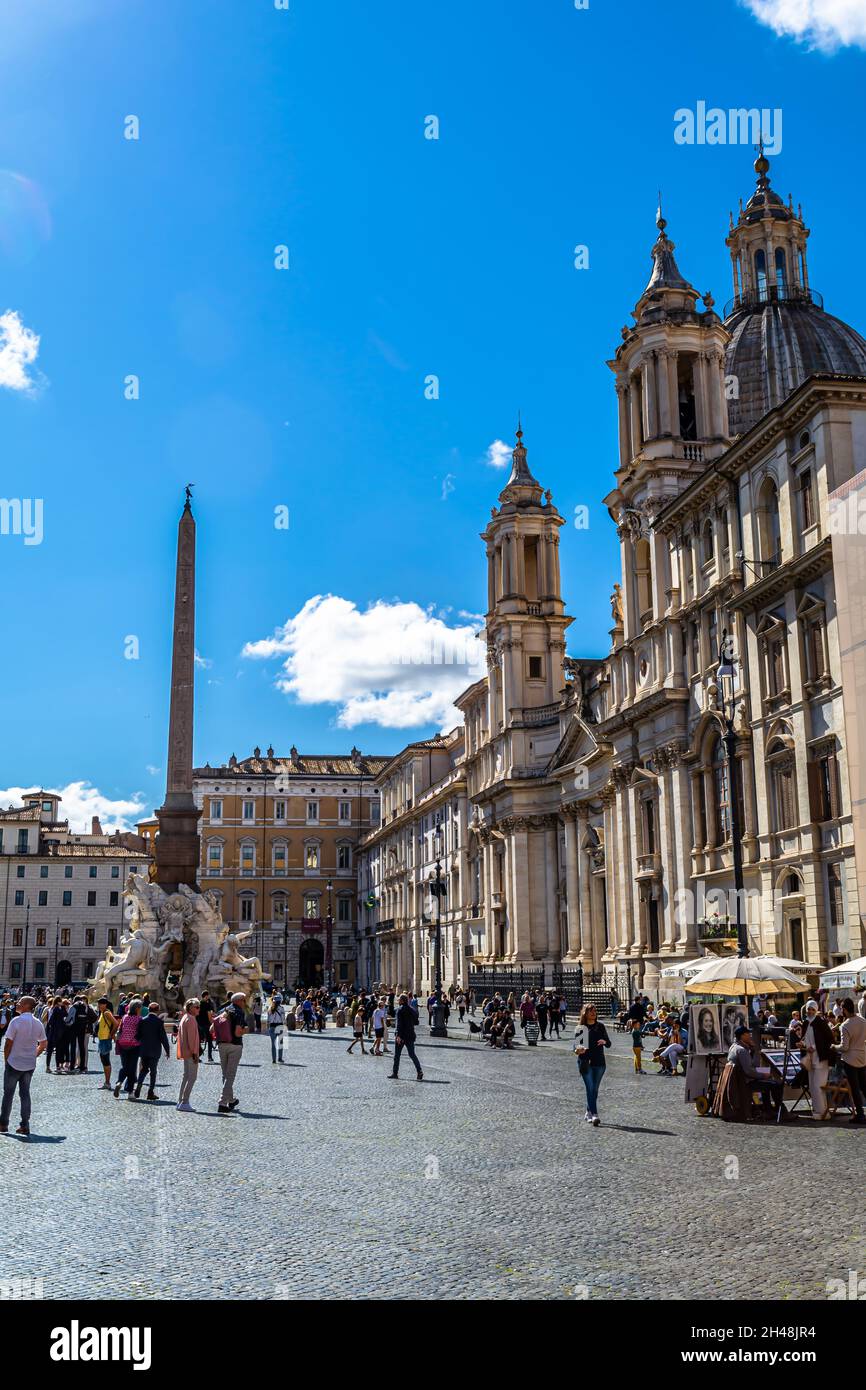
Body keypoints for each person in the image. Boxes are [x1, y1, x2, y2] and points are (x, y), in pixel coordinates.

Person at [0, 996, 47, 1137]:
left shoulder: (16, 1021)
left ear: (26, 1005)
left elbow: (8, 1043)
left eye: (20, 1002)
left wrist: (6, 1060)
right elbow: (43, 1043)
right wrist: (35, 1055)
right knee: (25, 1094)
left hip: (14, 1063)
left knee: (8, 1094)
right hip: (29, 1064)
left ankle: (3, 1124)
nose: (17, 1004)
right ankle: (25, 1125)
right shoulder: (38, 1023)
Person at [726, 1024, 784, 1117]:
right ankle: (780, 1111)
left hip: (741, 1079)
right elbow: (749, 1071)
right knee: (776, 1084)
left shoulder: (733, 1047)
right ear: (742, 1036)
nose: (750, 1035)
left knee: (769, 1080)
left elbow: (749, 1066)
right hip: (746, 1082)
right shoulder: (742, 1050)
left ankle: (768, 1109)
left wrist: (751, 1049)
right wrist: (763, 1075)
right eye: (748, 1034)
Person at [574, 1004, 610, 1125]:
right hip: (585, 1061)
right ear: (585, 1013)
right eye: (591, 1011)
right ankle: (595, 1115)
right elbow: (576, 1047)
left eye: (595, 1011)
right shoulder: (581, 1028)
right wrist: (578, 1050)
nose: (594, 1013)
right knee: (590, 1088)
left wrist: (604, 1041)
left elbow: (609, 1043)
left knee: (594, 1089)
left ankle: (588, 1111)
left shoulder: (600, 1026)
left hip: (599, 1062)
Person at [833, 997, 866, 1124]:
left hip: (850, 1060)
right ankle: (861, 1114)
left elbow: (844, 1047)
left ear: (845, 1010)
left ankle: (860, 1115)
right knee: (864, 1087)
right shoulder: (863, 1021)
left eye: (841, 1009)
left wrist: (833, 1047)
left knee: (855, 1088)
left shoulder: (845, 1025)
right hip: (862, 1057)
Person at [802, 1000, 834, 1121]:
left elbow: (828, 1039)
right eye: (808, 1009)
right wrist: (802, 1043)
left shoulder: (821, 1023)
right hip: (810, 1059)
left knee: (818, 1086)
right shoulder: (805, 1022)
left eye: (812, 1009)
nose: (810, 1011)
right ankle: (817, 1111)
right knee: (812, 1086)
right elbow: (805, 1038)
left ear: (815, 1011)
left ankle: (822, 1112)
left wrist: (814, 1047)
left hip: (821, 1059)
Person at [217, 992, 247, 1114]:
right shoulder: (239, 1012)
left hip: (221, 1045)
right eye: (244, 1000)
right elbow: (237, 1033)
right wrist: (247, 1029)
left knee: (225, 1075)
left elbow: (212, 1028)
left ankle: (231, 1100)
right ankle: (222, 1103)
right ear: (239, 1001)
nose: (245, 1003)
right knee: (230, 1076)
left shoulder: (223, 1010)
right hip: (234, 1046)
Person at [135, 1006, 170, 1100]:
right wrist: (167, 1050)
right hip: (155, 1050)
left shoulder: (142, 1020)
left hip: (144, 1049)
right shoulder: (159, 1022)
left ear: (149, 1010)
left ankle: (139, 1086)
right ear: (158, 1010)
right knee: (153, 1071)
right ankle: (150, 1092)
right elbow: (163, 1038)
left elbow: (137, 1036)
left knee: (144, 1069)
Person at [388, 993, 423, 1080]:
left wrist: (398, 1035)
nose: (398, 1001)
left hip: (402, 1036)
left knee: (397, 1055)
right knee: (412, 1054)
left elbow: (399, 1024)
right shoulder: (412, 1010)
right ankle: (419, 1071)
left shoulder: (400, 1010)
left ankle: (395, 1073)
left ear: (402, 1000)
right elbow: (416, 1021)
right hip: (410, 1035)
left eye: (399, 999)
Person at [114, 999, 143, 1099]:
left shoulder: (125, 1017)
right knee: (132, 1068)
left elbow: (120, 1029)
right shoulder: (139, 1019)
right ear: (137, 1008)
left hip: (123, 1044)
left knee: (125, 1066)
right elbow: (141, 1033)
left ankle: (119, 1082)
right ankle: (130, 1092)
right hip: (134, 1045)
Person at [176, 998, 201, 1111]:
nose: (199, 1009)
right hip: (191, 1052)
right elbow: (191, 1039)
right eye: (197, 1007)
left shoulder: (184, 1018)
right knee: (192, 1077)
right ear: (191, 1008)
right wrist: (195, 1053)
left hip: (185, 1051)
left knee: (186, 1076)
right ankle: (185, 1102)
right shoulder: (191, 1019)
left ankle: (180, 1100)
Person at [95, 997, 118, 1090]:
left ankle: (107, 1082)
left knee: (106, 1061)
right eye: (98, 1004)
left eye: (101, 1004)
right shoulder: (102, 1013)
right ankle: (106, 1081)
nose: (99, 1006)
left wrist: (111, 1034)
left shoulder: (106, 1013)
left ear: (105, 1004)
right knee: (104, 1061)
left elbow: (116, 1023)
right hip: (102, 1039)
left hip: (105, 1039)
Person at [198, 990, 216, 1062]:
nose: (209, 997)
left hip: (198, 1024)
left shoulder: (198, 1003)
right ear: (206, 996)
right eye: (208, 996)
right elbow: (209, 1015)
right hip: (206, 1024)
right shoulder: (207, 1004)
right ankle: (209, 1057)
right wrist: (212, 1023)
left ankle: (197, 1056)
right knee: (209, 1040)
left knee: (198, 1041)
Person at [268, 994, 286, 1063]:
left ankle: (274, 1059)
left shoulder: (270, 1008)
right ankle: (280, 1058)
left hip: (272, 1026)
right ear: (280, 1001)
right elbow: (283, 1019)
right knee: (280, 1044)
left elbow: (268, 1020)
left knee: (273, 1044)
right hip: (280, 1026)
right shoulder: (281, 1008)